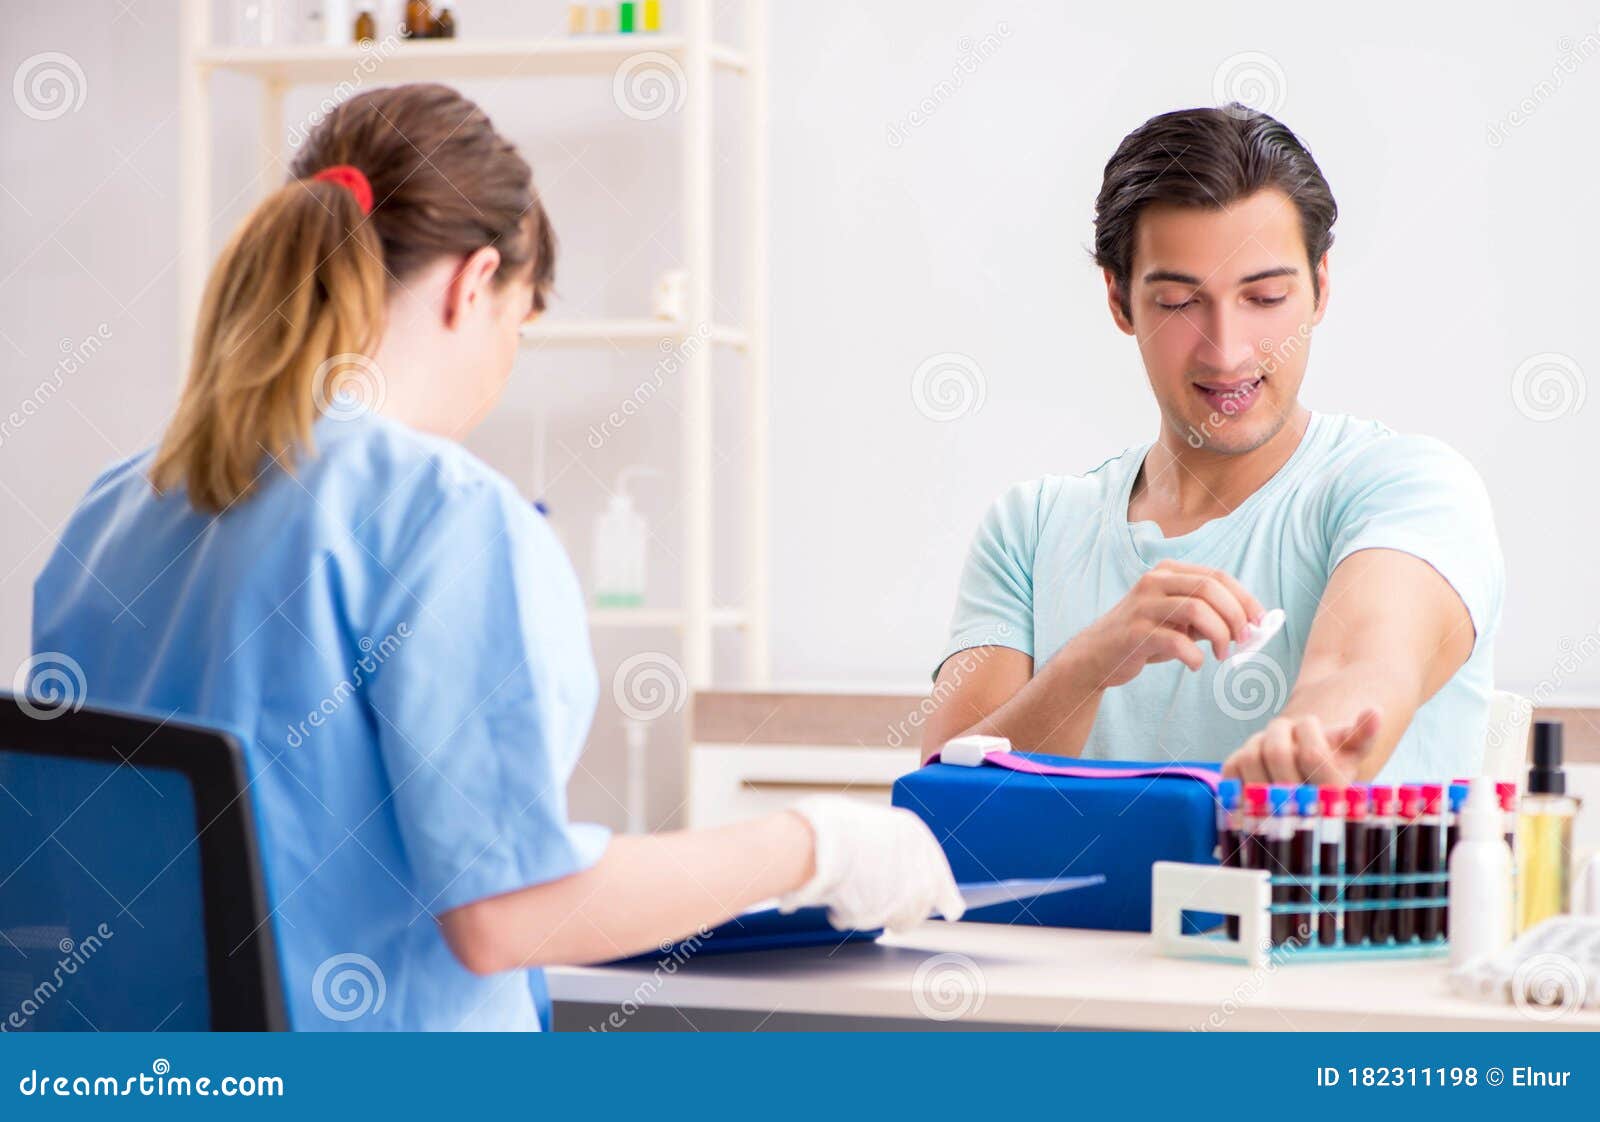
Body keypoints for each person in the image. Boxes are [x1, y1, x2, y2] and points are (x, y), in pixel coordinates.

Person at [31, 84, 962, 1031]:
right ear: (473, 283)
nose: (506, 363)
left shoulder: (115, 508)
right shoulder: (443, 513)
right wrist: (817, 846)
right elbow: (504, 913)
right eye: (520, 323)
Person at [921, 104, 1503, 787]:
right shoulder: (1030, 531)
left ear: (1320, 288)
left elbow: (1361, 668)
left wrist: (1303, 748)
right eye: (1178, 303)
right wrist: (1087, 666)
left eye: (1265, 297)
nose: (1226, 352)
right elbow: (945, 807)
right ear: (1119, 300)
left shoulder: (1409, 489)